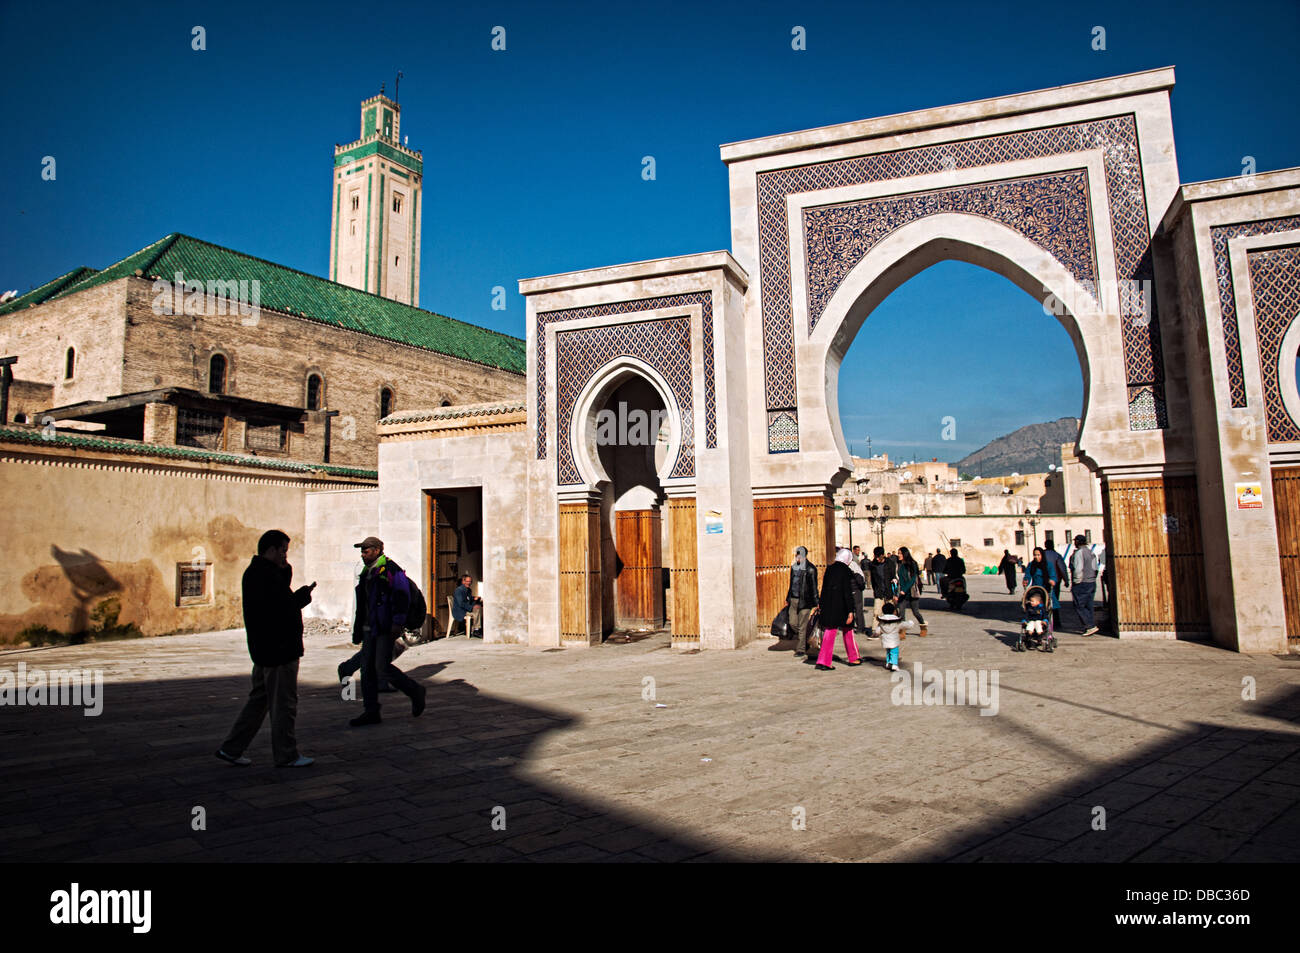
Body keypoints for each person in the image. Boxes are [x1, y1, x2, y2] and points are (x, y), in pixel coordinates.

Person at [216, 529, 316, 768]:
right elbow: (281, 608)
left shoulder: (260, 573)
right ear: (271, 550)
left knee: (259, 701)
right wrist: (302, 597)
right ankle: (286, 754)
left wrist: (286, 574)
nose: (285, 556)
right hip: (278, 650)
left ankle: (232, 748)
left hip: (265, 650)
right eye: (283, 551)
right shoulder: (264, 575)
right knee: (283, 704)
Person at [349, 536, 426, 727]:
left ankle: (414, 690)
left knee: (381, 667)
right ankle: (371, 710)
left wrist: (397, 623)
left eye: (366, 550)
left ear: (377, 550)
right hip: (369, 628)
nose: (363, 554)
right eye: (362, 551)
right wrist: (358, 629)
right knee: (367, 669)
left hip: (384, 627)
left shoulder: (391, 570)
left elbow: (402, 597)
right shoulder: (367, 572)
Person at [814, 548, 860, 671]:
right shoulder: (846, 571)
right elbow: (847, 592)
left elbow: (824, 588)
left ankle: (823, 660)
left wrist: (821, 604)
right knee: (848, 630)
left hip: (829, 605)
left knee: (830, 631)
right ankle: (853, 657)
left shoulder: (830, 568)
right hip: (842, 606)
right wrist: (850, 611)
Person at [788, 546, 820, 658]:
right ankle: (805, 638)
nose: (797, 557)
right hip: (793, 599)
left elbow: (814, 587)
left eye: (799, 555)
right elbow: (791, 584)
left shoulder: (811, 569)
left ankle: (801, 649)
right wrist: (788, 598)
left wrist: (817, 602)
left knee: (802, 626)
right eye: (796, 555)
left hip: (805, 601)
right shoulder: (793, 568)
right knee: (792, 623)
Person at [1069, 534, 1100, 636]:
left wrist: (1076, 581)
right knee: (1089, 605)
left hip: (1082, 583)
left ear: (1077, 542)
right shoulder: (1091, 552)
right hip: (1091, 582)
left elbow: (1078, 569)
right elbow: (1095, 568)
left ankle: (1089, 626)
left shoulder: (1079, 553)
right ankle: (1091, 625)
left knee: (1079, 605)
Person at [894, 546, 928, 636]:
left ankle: (923, 626)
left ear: (905, 554)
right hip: (901, 592)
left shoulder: (912, 564)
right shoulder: (898, 565)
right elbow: (898, 578)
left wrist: (905, 589)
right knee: (901, 612)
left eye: (900, 553)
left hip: (911, 591)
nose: (898, 555)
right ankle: (902, 631)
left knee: (916, 612)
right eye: (898, 553)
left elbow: (913, 579)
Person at [1023, 546, 1059, 616]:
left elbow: (1053, 576)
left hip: (1046, 588)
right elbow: (1028, 575)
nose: (1036, 557)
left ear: (1042, 555)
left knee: (1052, 604)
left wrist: (1052, 581)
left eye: (1038, 555)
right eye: (1035, 555)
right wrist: (1026, 580)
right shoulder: (1031, 565)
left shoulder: (1048, 565)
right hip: (1036, 588)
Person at [867, 546, 896, 625]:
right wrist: (875, 590)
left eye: (878, 557)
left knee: (891, 613)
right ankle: (875, 630)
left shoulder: (890, 563)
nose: (877, 559)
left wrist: (894, 593)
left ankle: (892, 629)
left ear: (883, 555)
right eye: (875, 556)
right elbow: (873, 580)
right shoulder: (873, 565)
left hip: (889, 591)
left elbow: (893, 578)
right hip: (879, 592)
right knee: (877, 612)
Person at [1042, 543, 1069, 627]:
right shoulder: (1057, 555)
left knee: (1044, 600)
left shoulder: (1041, 555)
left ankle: (1045, 620)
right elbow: (1062, 568)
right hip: (1055, 581)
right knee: (1054, 601)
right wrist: (1066, 580)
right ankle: (1056, 621)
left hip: (1043, 581)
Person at [875, 601, 904, 672]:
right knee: (894, 652)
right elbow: (903, 625)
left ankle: (888, 663)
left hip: (885, 640)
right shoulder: (896, 621)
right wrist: (910, 623)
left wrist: (876, 633)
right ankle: (894, 664)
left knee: (888, 651)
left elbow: (877, 631)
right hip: (894, 640)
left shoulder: (882, 622)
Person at [847, 546, 867, 637]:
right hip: (853, 589)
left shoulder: (851, 565)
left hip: (855, 589)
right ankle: (855, 626)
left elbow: (860, 578)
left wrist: (857, 588)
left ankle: (860, 627)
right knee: (854, 608)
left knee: (858, 608)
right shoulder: (852, 564)